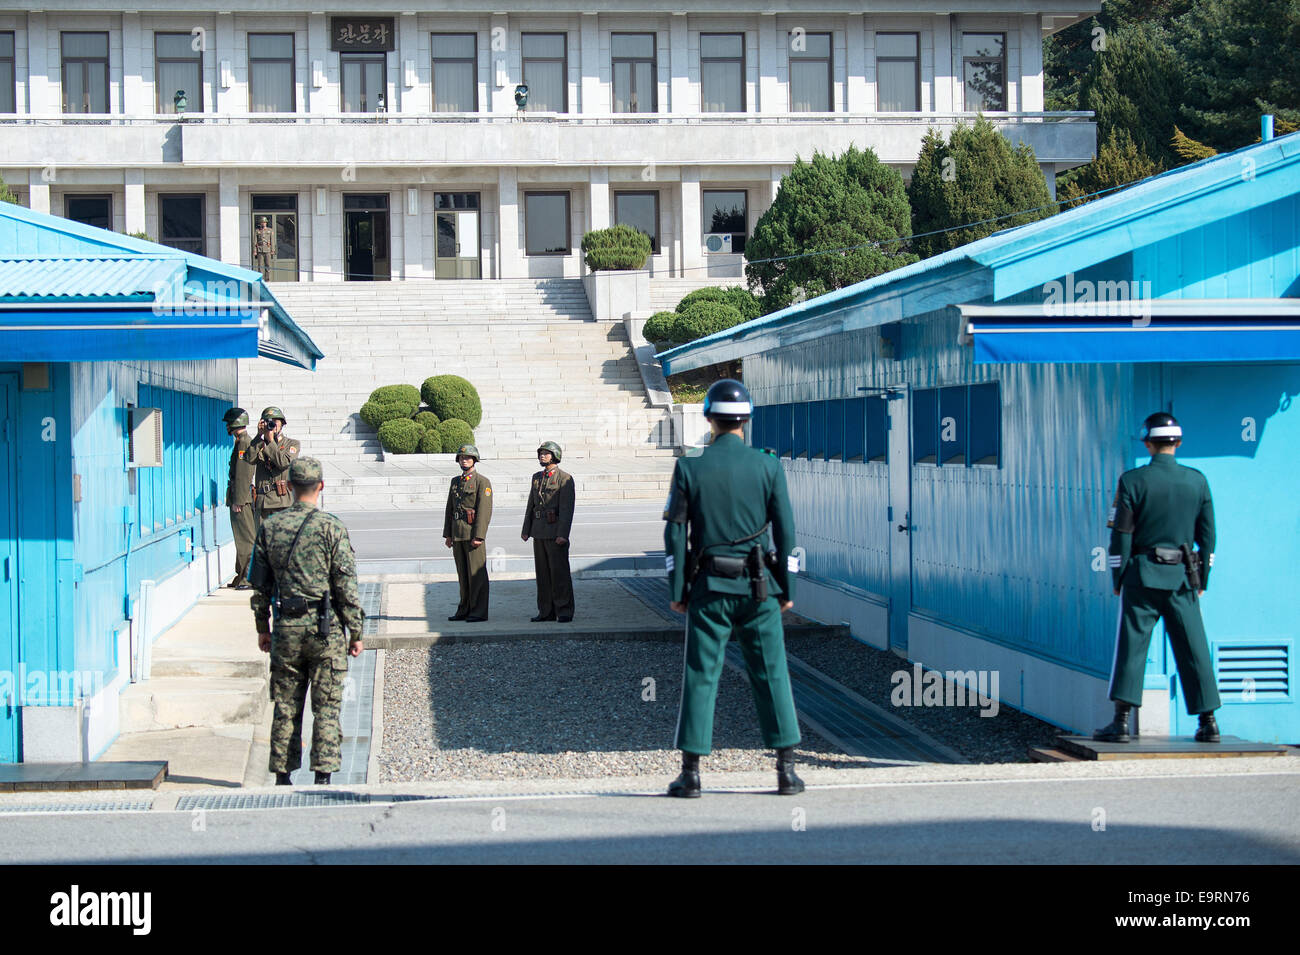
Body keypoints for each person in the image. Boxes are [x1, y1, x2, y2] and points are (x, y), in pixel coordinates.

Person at [663, 379, 803, 798]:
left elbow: (675, 533)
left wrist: (677, 589)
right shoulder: (768, 465)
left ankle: (691, 774)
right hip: (759, 587)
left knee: (701, 674)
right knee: (771, 672)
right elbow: (787, 532)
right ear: (747, 418)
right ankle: (787, 771)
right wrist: (788, 586)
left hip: (709, 586)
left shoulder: (690, 465)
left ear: (709, 416)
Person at [1095, 412, 1221, 743]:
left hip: (1142, 575)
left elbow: (1121, 536)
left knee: (1132, 647)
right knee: (1194, 648)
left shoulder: (1132, 481)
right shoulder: (1197, 481)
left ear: (1148, 443)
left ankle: (1121, 722)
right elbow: (1208, 538)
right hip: (1183, 577)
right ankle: (1208, 722)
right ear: (1177, 442)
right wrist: (1202, 578)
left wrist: (1118, 576)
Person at [249, 457, 365, 786]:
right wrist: (355, 630)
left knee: (286, 702)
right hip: (324, 627)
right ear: (321, 487)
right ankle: (323, 776)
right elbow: (345, 583)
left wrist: (263, 627)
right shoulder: (331, 527)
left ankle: (283, 775)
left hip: (286, 625)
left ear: (289, 487)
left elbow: (260, 585)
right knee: (326, 704)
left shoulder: (270, 527)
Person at [522, 441, 575, 622]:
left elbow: (567, 509)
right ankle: (546, 611)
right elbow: (531, 504)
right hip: (539, 531)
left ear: (554, 456)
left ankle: (564, 610)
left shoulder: (564, 478)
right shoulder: (537, 477)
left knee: (559, 574)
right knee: (543, 575)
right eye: (541, 453)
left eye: (546, 453)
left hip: (555, 533)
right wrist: (526, 529)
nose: (542, 456)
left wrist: (563, 534)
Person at [443, 444, 493, 622]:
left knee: (476, 575)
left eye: (468, 458)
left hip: (472, 533)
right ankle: (464, 608)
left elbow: (484, 510)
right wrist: (448, 534)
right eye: (462, 458)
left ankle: (478, 611)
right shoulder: (455, 481)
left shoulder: (482, 482)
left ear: (474, 460)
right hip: (458, 533)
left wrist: (479, 535)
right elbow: (450, 508)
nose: (464, 460)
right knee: (463, 575)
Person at [222, 407, 257, 590]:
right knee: (241, 538)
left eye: (229, 423)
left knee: (245, 539)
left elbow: (243, 474)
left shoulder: (244, 443)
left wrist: (239, 500)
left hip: (241, 498)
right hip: (240, 496)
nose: (227, 427)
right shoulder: (241, 442)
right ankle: (241, 575)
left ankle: (248, 577)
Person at [246, 406, 300, 520]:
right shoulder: (259, 443)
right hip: (262, 503)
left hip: (282, 502)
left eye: (275, 421)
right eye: (268, 422)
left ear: (282, 424)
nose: (272, 425)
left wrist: (270, 441)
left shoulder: (292, 444)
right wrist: (258, 436)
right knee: (262, 537)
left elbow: (283, 462)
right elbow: (249, 459)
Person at [254, 216, 274, 281]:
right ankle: (260, 279)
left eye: (265, 222)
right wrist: (255, 251)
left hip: (267, 249)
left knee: (268, 265)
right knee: (260, 265)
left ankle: (267, 279)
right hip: (260, 249)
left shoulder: (270, 230)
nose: (263, 224)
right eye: (262, 222)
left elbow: (272, 241)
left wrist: (272, 250)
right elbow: (255, 242)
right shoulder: (257, 231)